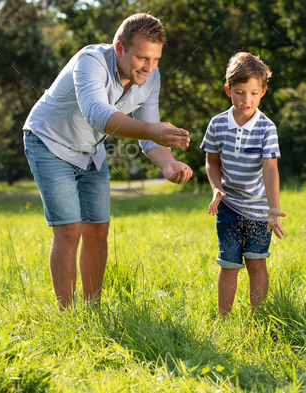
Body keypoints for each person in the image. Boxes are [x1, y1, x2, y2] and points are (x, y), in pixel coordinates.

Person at [23, 13, 192, 309]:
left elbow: (148, 128)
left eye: (155, 59)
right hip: (49, 141)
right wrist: (152, 130)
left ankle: (93, 309)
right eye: (142, 58)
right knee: (70, 229)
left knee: (98, 229)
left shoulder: (150, 77)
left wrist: (167, 163)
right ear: (119, 48)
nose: (149, 67)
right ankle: (67, 314)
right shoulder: (90, 61)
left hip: (90, 150)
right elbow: (97, 115)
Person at [200, 52, 286, 319]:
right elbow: (211, 161)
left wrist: (273, 209)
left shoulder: (266, 128)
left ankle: (257, 318)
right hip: (229, 208)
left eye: (253, 92)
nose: (246, 99)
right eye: (239, 92)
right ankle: (223, 320)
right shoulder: (217, 125)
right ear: (228, 90)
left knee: (256, 263)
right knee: (228, 264)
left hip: (259, 211)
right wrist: (216, 187)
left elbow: (270, 169)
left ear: (263, 92)